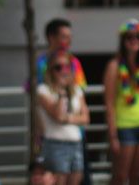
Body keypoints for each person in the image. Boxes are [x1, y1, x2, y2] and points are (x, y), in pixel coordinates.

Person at [103, 19, 139, 185]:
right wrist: (112, 135)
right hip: (124, 126)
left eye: (138, 37)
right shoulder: (114, 66)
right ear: (123, 40)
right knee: (120, 176)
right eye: (130, 37)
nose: (134, 40)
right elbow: (109, 103)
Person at [35, 18, 91, 184]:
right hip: (52, 136)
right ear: (51, 38)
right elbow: (42, 101)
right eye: (64, 36)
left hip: (76, 136)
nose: (68, 41)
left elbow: (80, 94)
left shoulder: (74, 61)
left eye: (69, 37)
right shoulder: (41, 63)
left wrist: (69, 119)